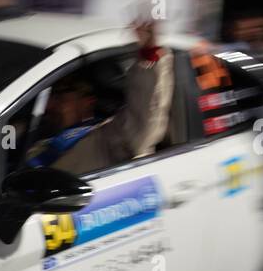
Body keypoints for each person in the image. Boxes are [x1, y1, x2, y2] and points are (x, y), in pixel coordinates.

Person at [42, 19, 174, 178]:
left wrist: (148, 56)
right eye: (49, 96)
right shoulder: (34, 135)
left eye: (60, 97)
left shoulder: (104, 140)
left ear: (87, 101)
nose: (49, 105)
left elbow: (143, 121)